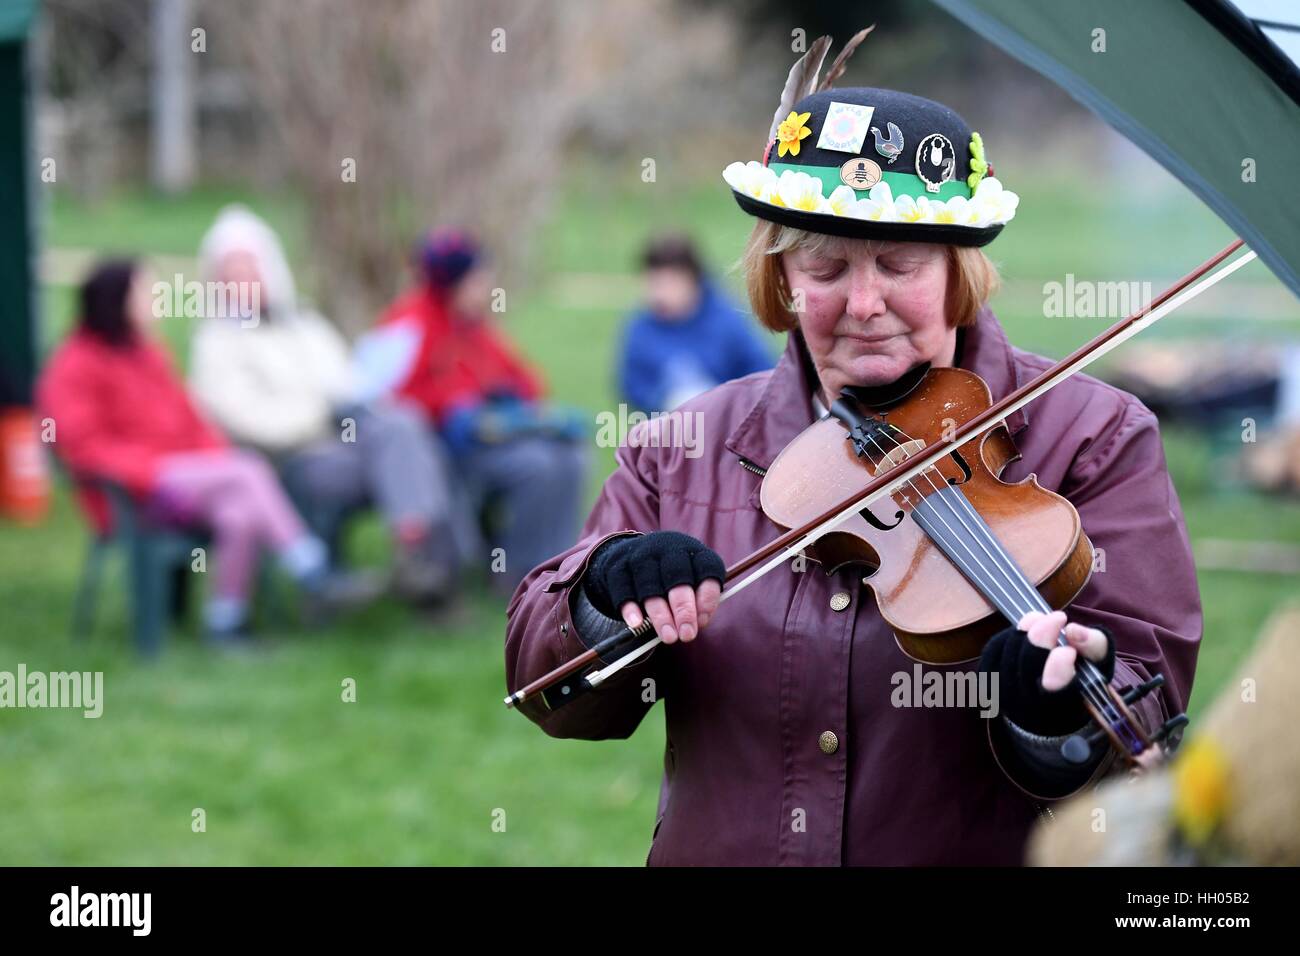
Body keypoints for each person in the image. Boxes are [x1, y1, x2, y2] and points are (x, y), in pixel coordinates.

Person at [504, 39, 1202, 865]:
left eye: (899, 264)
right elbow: (549, 689)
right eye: (827, 267)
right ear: (782, 276)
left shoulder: (1089, 433)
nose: (864, 304)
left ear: (957, 271)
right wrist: (600, 592)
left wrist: (1051, 720)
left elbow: (1140, 698)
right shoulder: (684, 448)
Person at [38, 260, 363, 644]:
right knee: (247, 470)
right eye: (146, 295)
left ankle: (225, 623)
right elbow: (82, 447)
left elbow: (191, 422)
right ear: (116, 302)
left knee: (239, 509)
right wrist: (153, 473)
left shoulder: (148, 354)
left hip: (180, 484)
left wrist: (210, 461)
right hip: (129, 496)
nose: (156, 304)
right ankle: (311, 568)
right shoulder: (74, 364)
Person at [189, 206, 461, 605]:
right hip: (294, 461)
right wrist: (321, 412)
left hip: (349, 441)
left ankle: (419, 560)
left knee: (405, 426)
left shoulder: (302, 321)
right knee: (411, 449)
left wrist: (354, 402)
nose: (243, 276)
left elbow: (345, 378)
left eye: (250, 264)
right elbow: (242, 417)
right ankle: (426, 566)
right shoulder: (216, 340)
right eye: (232, 267)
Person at [378, 229, 587, 595]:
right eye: (479, 281)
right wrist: (461, 405)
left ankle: (555, 563)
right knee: (536, 465)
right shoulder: (409, 324)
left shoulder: (472, 324)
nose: (487, 289)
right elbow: (394, 396)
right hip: (441, 450)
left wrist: (511, 404)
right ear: (453, 283)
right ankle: (517, 573)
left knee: (570, 457)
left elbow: (524, 380)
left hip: (489, 438)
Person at [619, 234, 773, 412]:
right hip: (662, 431)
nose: (660, 294)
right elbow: (631, 385)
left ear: (693, 280)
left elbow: (763, 375)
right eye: (655, 284)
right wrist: (662, 399)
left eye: (671, 283)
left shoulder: (728, 321)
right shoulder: (640, 327)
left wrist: (721, 402)